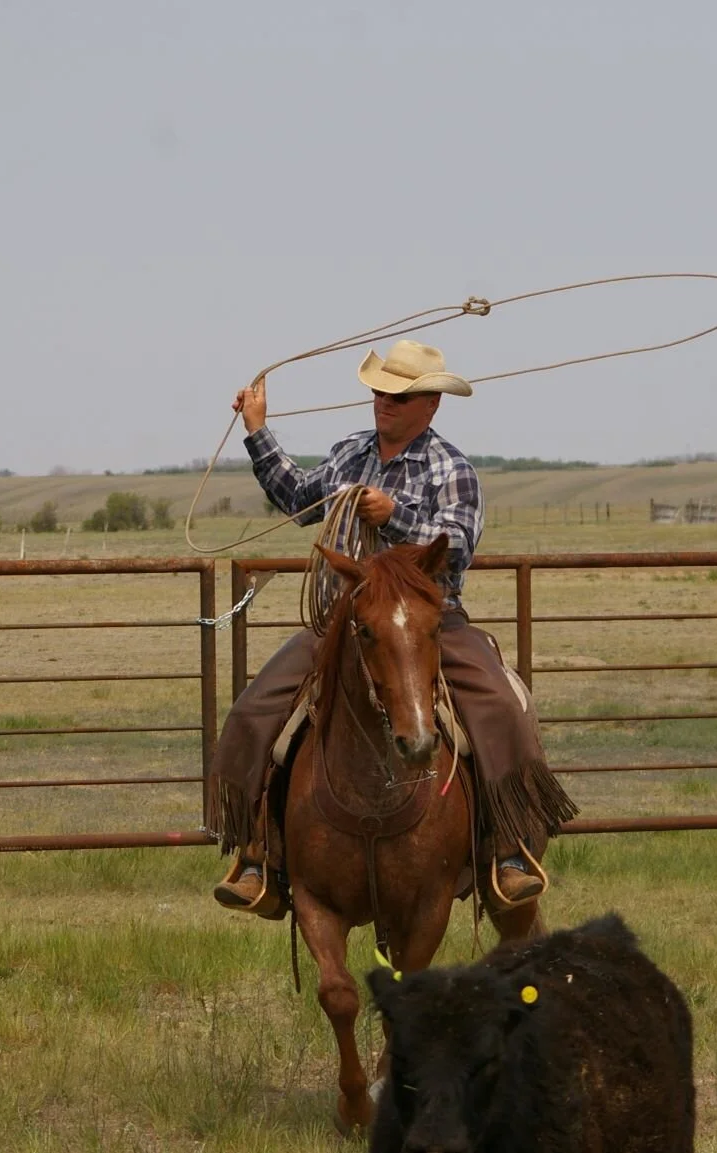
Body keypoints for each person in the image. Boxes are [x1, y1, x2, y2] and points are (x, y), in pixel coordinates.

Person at [207, 338, 578, 918]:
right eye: (381, 392)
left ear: (431, 405)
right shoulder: (349, 454)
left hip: (429, 625)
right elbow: (301, 499)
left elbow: (453, 550)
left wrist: (396, 517)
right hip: (342, 624)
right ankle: (258, 856)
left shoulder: (451, 469)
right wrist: (258, 430)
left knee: (501, 707)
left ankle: (508, 849)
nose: (385, 403)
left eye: (400, 397)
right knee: (254, 711)